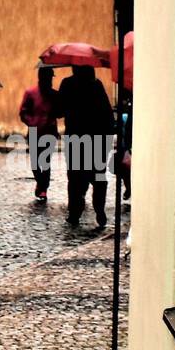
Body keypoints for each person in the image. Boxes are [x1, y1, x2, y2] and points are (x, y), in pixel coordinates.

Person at [56, 64, 115, 228]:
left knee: (75, 178)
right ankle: (99, 209)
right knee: (98, 177)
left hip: (75, 138)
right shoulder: (96, 84)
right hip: (97, 139)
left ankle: (74, 213)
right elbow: (107, 113)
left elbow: (59, 111)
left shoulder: (67, 84)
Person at [19, 64, 59, 202]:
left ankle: (43, 188)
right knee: (35, 162)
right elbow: (23, 112)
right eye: (48, 78)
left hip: (49, 132)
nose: (50, 81)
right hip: (34, 132)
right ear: (41, 78)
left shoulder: (54, 95)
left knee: (45, 162)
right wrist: (32, 123)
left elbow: (60, 112)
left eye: (50, 78)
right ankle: (40, 184)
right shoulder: (30, 93)